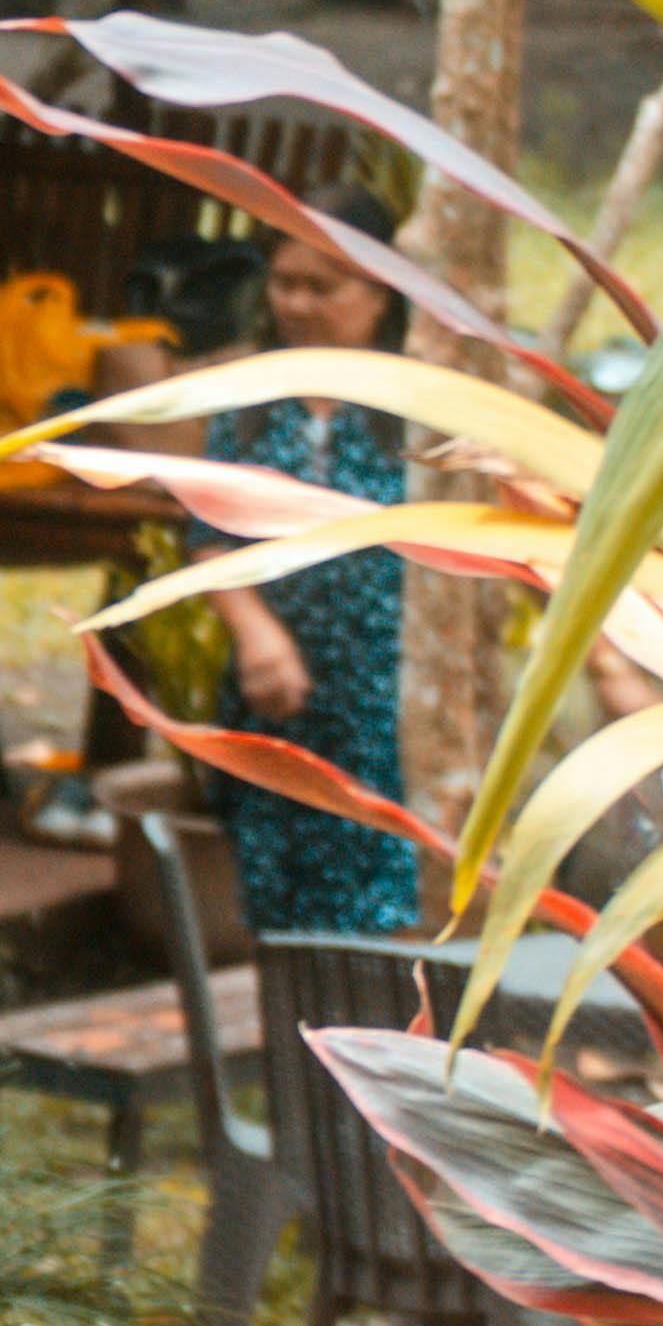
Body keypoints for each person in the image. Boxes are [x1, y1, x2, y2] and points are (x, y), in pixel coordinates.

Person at [200, 150, 424, 942]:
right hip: (275, 700)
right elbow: (209, 537)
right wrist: (255, 633)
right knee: (279, 902)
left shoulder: (420, 406)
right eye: (283, 282)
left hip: (388, 704)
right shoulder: (249, 401)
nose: (295, 302)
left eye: (320, 287)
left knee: (390, 909)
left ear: (380, 290)